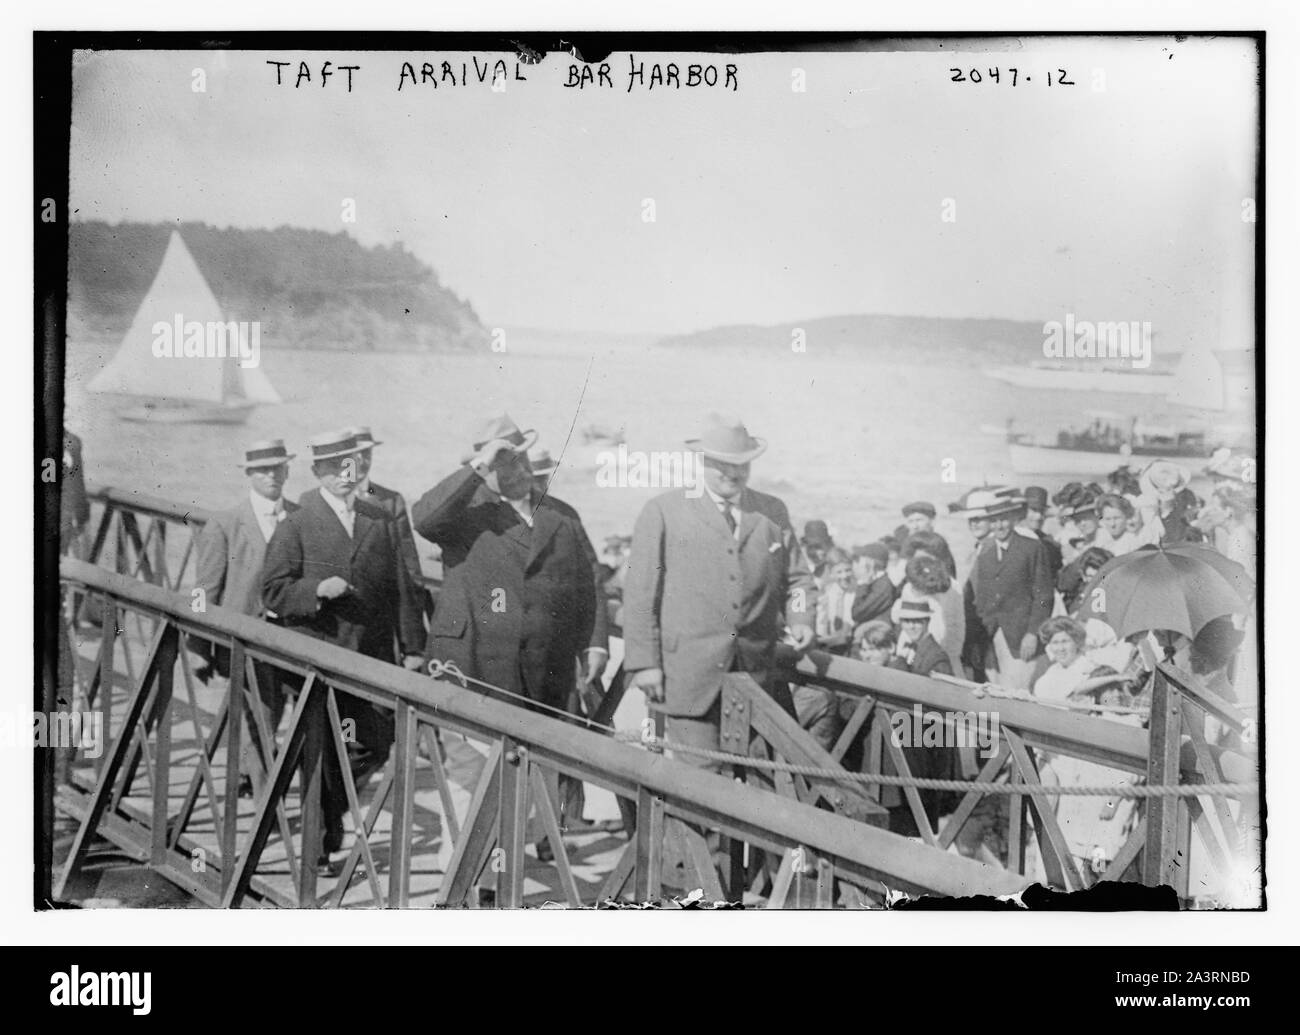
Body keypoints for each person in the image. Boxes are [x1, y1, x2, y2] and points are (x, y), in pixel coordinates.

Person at [263, 429, 427, 864]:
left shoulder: (379, 519)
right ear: (318, 471)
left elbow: (402, 589)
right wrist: (317, 590)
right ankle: (317, 847)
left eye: (350, 466)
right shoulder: (297, 523)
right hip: (319, 657)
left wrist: (414, 648)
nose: (344, 475)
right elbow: (273, 591)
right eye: (334, 468)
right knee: (320, 749)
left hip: (371, 657)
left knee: (374, 741)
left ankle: (329, 810)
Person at [622, 413, 816, 770]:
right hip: (687, 677)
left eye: (741, 464)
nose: (732, 473)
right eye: (722, 465)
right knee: (700, 779)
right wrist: (644, 663)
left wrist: (801, 618)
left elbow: (799, 579)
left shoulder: (772, 512)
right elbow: (639, 595)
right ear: (702, 462)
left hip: (754, 676)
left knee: (759, 777)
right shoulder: (663, 511)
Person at [412, 413, 609, 712]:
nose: (518, 471)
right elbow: (424, 519)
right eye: (504, 464)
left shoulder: (563, 515)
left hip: (545, 672)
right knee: (475, 743)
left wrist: (595, 644)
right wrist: (481, 463)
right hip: (472, 667)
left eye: (521, 460)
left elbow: (590, 584)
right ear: (485, 469)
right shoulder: (463, 512)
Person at [193, 439, 301, 796]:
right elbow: (203, 590)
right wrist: (197, 646)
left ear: (287, 470)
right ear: (249, 475)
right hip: (244, 638)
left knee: (279, 711)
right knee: (261, 715)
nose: (272, 475)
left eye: (278, 468)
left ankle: (246, 774)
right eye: (263, 470)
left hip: (291, 637)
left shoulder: (301, 517)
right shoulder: (225, 523)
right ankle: (266, 804)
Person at [970, 492, 1055, 689]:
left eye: (1003, 520)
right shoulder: (985, 554)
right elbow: (981, 600)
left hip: (1022, 638)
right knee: (995, 690)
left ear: (1013, 519)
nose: (999, 526)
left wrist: (1033, 633)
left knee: (1020, 690)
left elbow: (1044, 596)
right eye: (994, 521)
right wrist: (979, 640)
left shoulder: (1032, 548)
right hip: (992, 638)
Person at [347, 425, 428, 617]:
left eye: (366, 453)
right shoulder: (318, 500)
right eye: (355, 454)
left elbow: (409, 565)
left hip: (378, 613)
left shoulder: (390, 501)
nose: (361, 460)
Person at [892, 553, 965, 676]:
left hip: (937, 648)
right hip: (911, 638)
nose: (916, 590)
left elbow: (951, 630)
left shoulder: (942, 600)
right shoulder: (908, 588)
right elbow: (897, 616)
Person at [814, 547, 856, 652]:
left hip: (849, 642)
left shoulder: (857, 592)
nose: (844, 576)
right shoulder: (828, 592)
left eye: (848, 570)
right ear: (831, 573)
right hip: (830, 642)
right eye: (839, 572)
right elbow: (822, 622)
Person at [849, 542, 897, 626]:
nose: (857, 564)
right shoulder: (875, 583)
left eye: (859, 560)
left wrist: (863, 582)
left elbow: (857, 613)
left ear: (871, 563)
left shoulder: (883, 587)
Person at [1022, 486, 1062, 582]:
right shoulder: (1011, 538)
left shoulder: (1050, 544)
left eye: (1042, 511)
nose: (1039, 516)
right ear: (1023, 511)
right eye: (1034, 510)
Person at [801, 520, 835, 584]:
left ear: (828, 546)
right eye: (809, 547)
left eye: (818, 547)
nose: (812, 552)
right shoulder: (804, 571)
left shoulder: (836, 573)